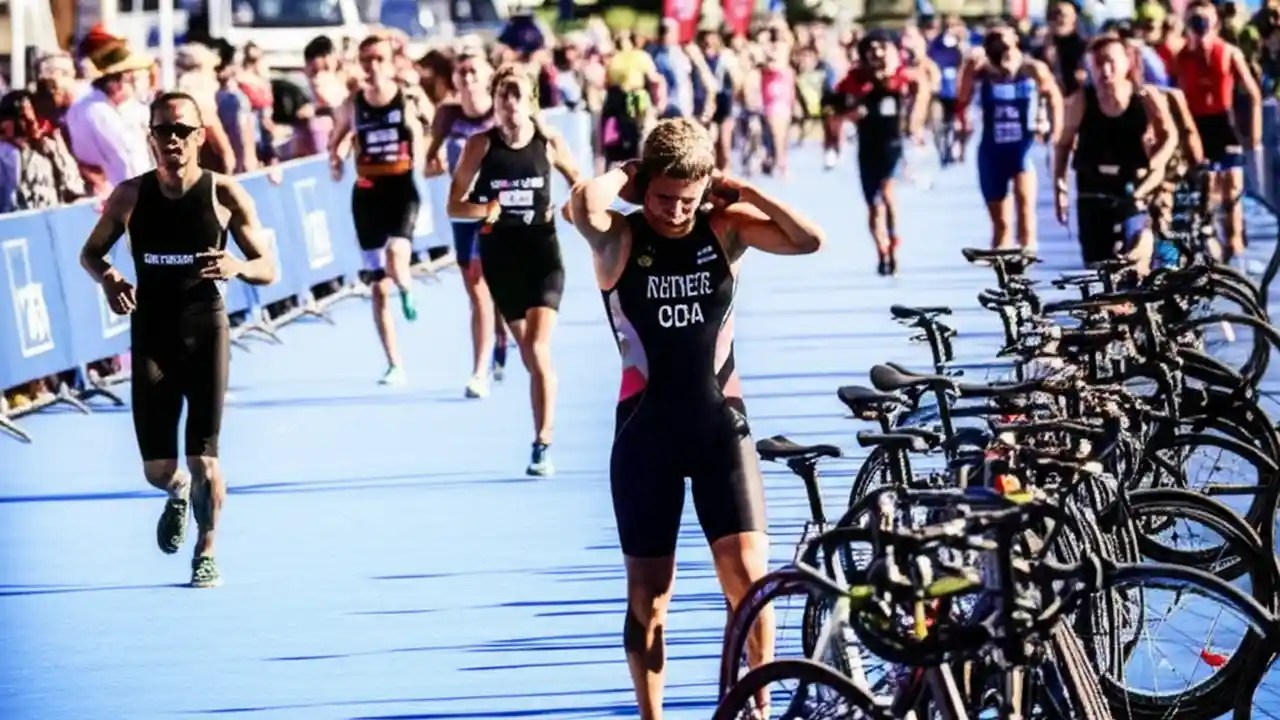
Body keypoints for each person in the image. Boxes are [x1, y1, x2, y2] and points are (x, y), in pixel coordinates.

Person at [566, 118, 825, 720]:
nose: (676, 213)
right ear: (643, 186)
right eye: (663, 198)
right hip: (645, 437)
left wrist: (749, 192)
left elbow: (809, 240)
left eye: (687, 200)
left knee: (750, 587)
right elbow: (582, 201)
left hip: (720, 433)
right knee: (649, 600)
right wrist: (629, 175)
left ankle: (753, 707)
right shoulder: (619, 238)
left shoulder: (725, 230)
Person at [78, 91, 276, 588]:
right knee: (158, 468)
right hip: (151, 334)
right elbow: (91, 254)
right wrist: (109, 279)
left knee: (205, 455)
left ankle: (206, 552)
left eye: (182, 131)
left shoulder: (224, 194)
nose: (172, 140)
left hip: (205, 331)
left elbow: (270, 269)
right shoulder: (129, 195)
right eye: (163, 130)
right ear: (150, 137)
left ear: (200, 136)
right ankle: (177, 491)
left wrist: (237, 265)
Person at [447, 65, 582, 476]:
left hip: (542, 255)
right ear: (494, 101)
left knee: (539, 350)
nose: (509, 103)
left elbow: (579, 185)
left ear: (531, 101)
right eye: (502, 95)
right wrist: (484, 209)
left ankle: (543, 441)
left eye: (516, 94)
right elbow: (454, 206)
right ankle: (541, 401)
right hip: (500, 259)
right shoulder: (480, 146)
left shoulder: (549, 142)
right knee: (530, 355)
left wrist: (575, 209)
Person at [329, 33, 423, 386]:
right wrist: (336, 159)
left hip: (401, 189)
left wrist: (430, 152)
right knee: (378, 287)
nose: (372, 66)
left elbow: (425, 128)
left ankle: (408, 289)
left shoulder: (406, 97)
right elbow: (336, 139)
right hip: (367, 194)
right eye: (366, 60)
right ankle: (394, 362)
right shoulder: (352, 104)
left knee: (398, 254)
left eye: (379, 59)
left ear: (390, 60)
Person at [1054, 34, 1176, 275]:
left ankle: (1136, 300)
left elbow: (1170, 136)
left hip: (1132, 186)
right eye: (1097, 64)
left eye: (1110, 62)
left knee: (1135, 258)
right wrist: (1060, 185)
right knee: (1097, 266)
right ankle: (1112, 308)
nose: (1105, 71)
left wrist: (1156, 164)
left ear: (1127, 62)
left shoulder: (1145, 97)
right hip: (1093, 186)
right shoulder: (1082, 100)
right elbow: (1063, 143)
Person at [426, 47, 510, 398]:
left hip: (501, 211)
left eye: (475, 71)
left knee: (497, 289)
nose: (468, 78)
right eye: (462, 72)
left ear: (490, 77)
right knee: (477, 291)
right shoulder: (447, 114)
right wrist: (432, 162)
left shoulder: (503, 109)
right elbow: (430, 156)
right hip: (464, 213)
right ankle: (481, 368)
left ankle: (496, 344)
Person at [832, 30, 931, 275]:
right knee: (873, 207)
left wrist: (915, 122)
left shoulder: (901, 77)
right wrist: (851, 114)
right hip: (867, 147)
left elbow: (925, 83)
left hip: (892, 145)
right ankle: (882, 251)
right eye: (871, 49)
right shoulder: (855, 79)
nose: (876, 53)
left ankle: (895, 247)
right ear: (864, 54)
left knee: (888, 195)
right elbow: (835, 107)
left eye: (881, 48)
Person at [956, 24, 1063, 252]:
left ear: (1015, 41)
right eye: (994, 43)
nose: (1001, 49)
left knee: (1025, 212)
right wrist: (967, 68)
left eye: (1005, 42)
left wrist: (1056, 132)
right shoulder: (982, 71)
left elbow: (1054, 97)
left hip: (1021, 151)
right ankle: (1003, 276)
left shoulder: (1032, 69)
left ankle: (1027, 267)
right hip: (992, 152)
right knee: (1000, 224)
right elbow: (961, 98)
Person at [1171, 0, 1262, 264]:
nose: (1199, 29)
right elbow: (1174, 95)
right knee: (1207, 184)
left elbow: (1253, 94)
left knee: (1232, 185)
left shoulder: (1229, 52)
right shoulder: (1182, 56)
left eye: (1204, 22)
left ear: (1216, 24)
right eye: (1194, 23)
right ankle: (1214, 242)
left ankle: (1234, 240)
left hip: (1224, 122)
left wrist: (1253, 138)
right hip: (1197, 125)